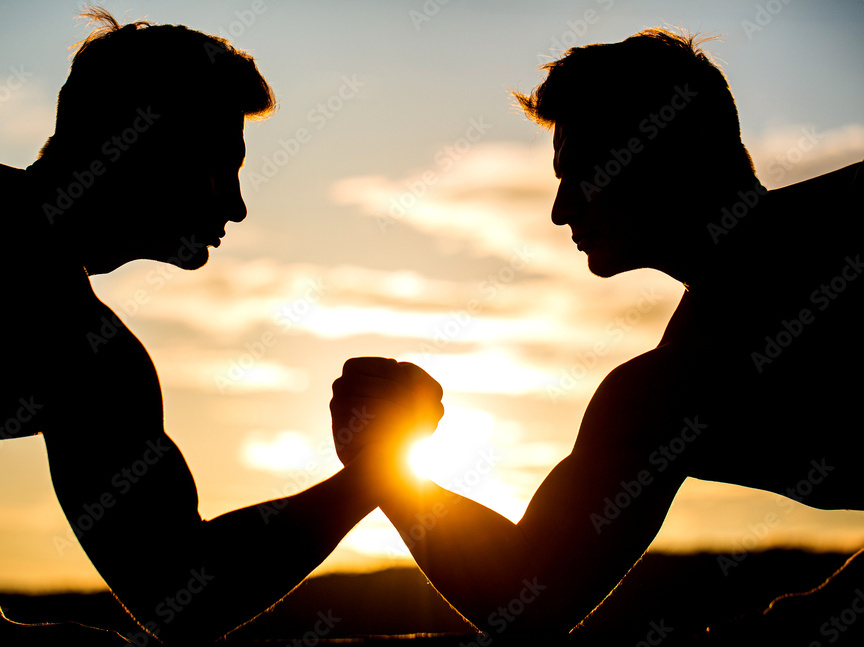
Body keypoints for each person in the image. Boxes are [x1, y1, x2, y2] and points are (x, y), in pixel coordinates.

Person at [0, 8, 444, 646]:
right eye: (221, 165)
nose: (237, 204)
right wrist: (375, 474)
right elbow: (186, 591)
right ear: (144, 150)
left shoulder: (83, 352)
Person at [331, 28, 863, 642]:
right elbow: (529, 594)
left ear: (677, 149)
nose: (561, 210)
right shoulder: (659, 396)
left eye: (583, 171)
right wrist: (385, 470)